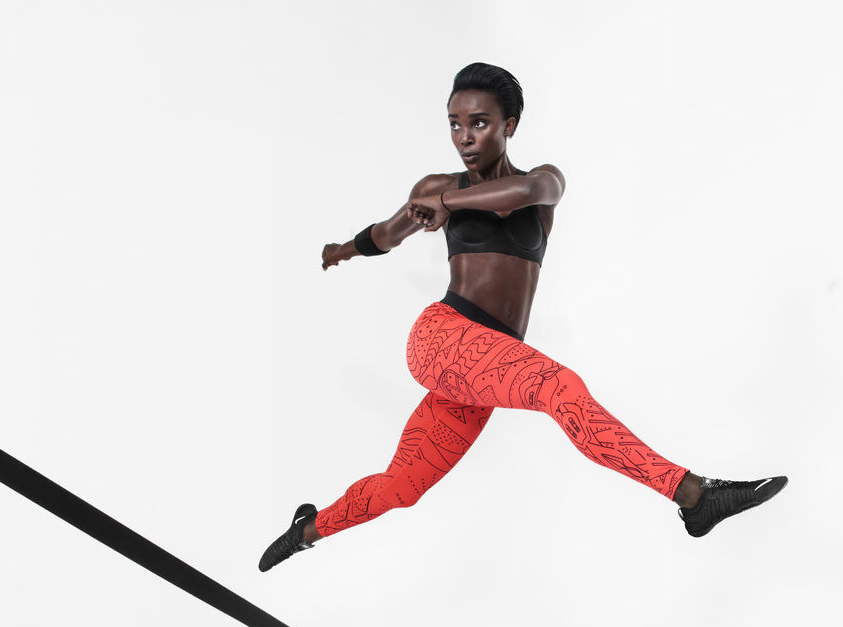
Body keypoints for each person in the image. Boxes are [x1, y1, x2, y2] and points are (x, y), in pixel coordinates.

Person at [258, 62, 786, 573]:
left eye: (479, 123)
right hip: (444, 339)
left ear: (508, 125)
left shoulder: (541, 182)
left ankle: (306, 530)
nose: (464, 137)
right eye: (455, 124)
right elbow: (385, 235)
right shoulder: (433, 187)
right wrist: (342, 251)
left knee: (402, 487)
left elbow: (526, 193)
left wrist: (447, 203)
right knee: (558, 387)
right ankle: (693, 496)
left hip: (486, 368)